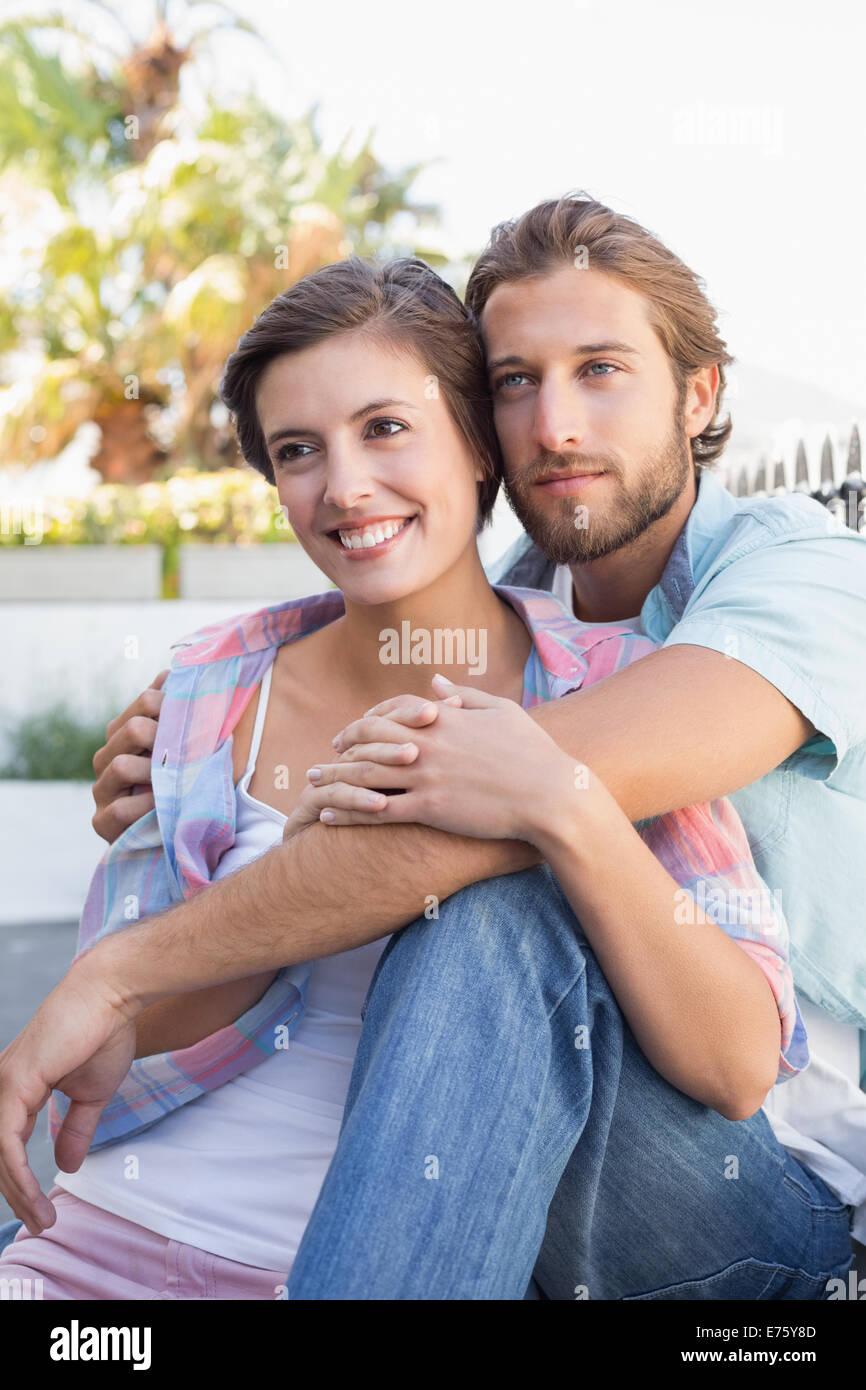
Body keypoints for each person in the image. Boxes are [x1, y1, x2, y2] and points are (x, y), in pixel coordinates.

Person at [0, 196, 863, 1299]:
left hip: (763, 1174)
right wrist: (203, 736)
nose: (552, 426)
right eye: (514, 381)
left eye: (599, 368)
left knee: (490, 900)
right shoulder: (416, 630)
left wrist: (123, 970)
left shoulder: (795, 578)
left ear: (697, 396)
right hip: (416, 1188)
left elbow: (524, 794)